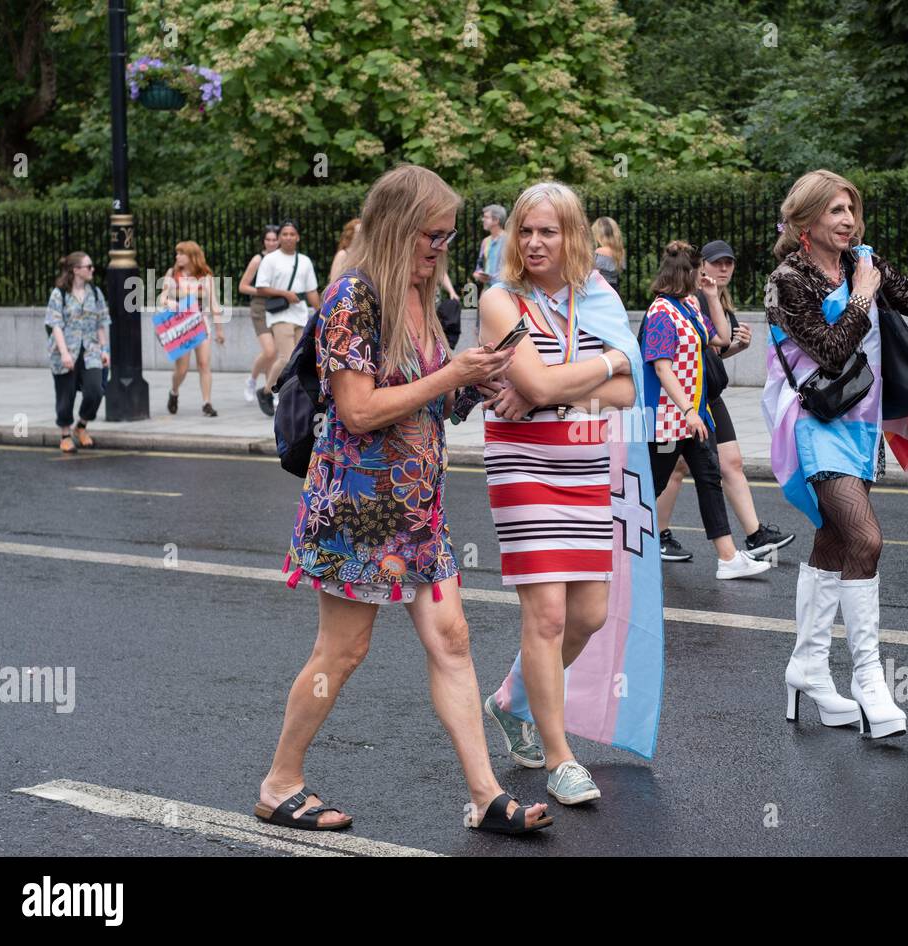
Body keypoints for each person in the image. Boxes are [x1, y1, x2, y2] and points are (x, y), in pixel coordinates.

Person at [260, 164, 552, 835]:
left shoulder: (423, 297)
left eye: (449, 238)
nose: (440, 250)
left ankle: (485, 796)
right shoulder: (350, 299)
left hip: (418, 511)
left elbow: (431, 399)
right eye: (431, 236)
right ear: (395, 228)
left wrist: (478, 382)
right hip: (358, 511)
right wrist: (452, 371)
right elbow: (359, 411)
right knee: (343, 651)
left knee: (452, 637)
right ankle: (280, 783)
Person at [765, 169, 908, 739]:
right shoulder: (786, 280)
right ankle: (870, 679)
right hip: (813, 421)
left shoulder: (861, 261)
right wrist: (865, 293)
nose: (848, 220)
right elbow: (827, 351)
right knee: (866, 540)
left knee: (835, 537)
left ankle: (807, 666)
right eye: (835, 211)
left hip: (862, 424)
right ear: (805, 221)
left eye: (852, 209)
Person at [477, 181, 647, 806]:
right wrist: (604, 367)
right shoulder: (500, 301)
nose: (534, 241)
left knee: (589, 616)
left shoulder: (596, 296)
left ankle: (509, 701)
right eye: (525, 230)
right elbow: (538, 384)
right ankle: (559, 757)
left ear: (572, 235)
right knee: (546, 615)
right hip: (523, 465)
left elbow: (631, 394)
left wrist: (563, 385)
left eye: (548, 230)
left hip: (583, 465)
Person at [655, 239, 794, 564]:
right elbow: (676, 358)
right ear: (698, 267)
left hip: (705, 397)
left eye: (728, 263)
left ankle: (748, 539)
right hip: (683, 398)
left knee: (724, 465)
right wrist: (687, 408)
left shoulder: (709, 298)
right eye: (716, 263)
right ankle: (654, 536)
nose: (723, 268)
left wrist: (734, 346)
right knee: (676, 470)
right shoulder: (680, 303)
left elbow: (714, 346)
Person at [254, 220, 320, 417]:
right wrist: (284, 293)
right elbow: (261, 287)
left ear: (298, 237)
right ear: (280, 237)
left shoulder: (305, 261)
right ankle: (267, 390)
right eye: (285, 234)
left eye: (292, 234)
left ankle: (291, 396)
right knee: (285, 357)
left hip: (300, 313)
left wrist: (321, 312)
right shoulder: (270, 260)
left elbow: (311, 291)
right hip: (280, 314)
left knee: (299, 358)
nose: (288, 237)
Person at [45, 252, 109, 452]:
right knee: (66, 394)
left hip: (90, 351)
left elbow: (100, 323)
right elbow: (55, 325)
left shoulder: (96, 293)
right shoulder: (60, 294)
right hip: (66, 351)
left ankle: (81, 426)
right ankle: (65, 434)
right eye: (88, 267)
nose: (92, 270)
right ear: (76, 270)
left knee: (96, 391)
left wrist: (104, 349)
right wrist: (64, 353)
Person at [159, 240, 225, 417]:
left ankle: (207, 402)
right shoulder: (172, 274)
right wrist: (170, 301)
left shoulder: (205, 276)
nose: (177, 256)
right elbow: (162, 298)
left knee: (204, 363)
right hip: (181, 325)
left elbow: (213, 304)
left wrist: (219, 329)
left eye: (181, 253)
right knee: (182, 369)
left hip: (200, 322)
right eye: (177, 253)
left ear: (192, 256)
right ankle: (174, 391)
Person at [239, 225, 281, 403]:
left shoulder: (283, 259)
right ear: (263, 241)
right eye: (268, 239)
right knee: (269, 351)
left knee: (276, 354)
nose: (271, 243)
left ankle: (270, 390)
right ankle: (252, 380)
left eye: (274, 239)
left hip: (278, 306)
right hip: (260, 306)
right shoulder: (258, 259)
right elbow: (243, 286)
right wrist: (263, 291)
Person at [471, 204, 506, 292]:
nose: (483, 219)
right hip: (487, 289)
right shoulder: (485, 242)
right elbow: (479, 266)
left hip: (505, 291)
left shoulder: (509, 240)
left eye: (486, 217)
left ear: (496, 220)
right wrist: (478, 274)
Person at [590, 217, 625, 293]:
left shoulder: (599, 252)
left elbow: (592, 275)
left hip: (600, 289)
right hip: (614, 290)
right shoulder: (620, 252)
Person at [328, 217, 360, 285]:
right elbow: (333, 282)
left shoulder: (362, 255)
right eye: (359, 233)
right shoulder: (342, 254)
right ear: (351, 234)